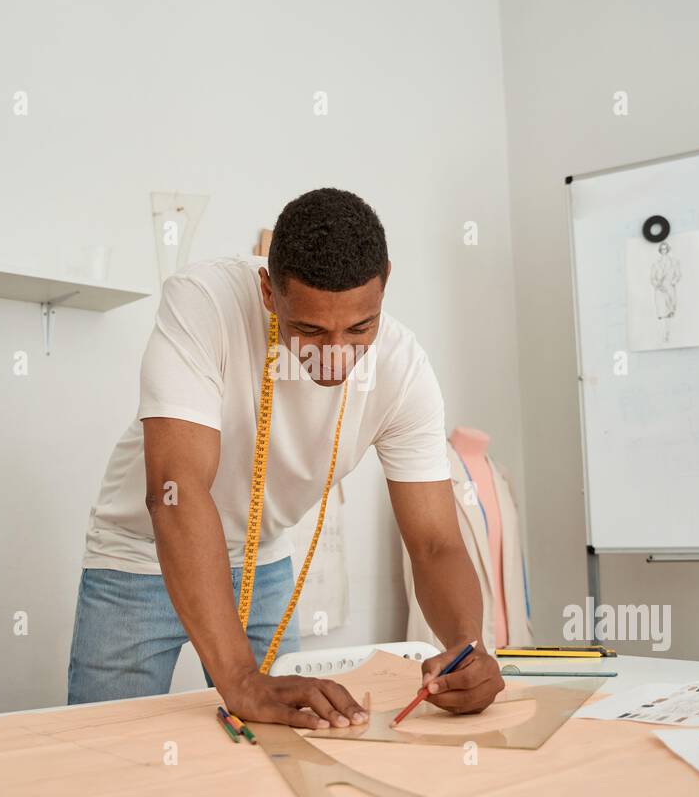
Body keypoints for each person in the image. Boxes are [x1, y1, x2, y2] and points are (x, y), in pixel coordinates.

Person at [68, 187, 504, 729]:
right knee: (103, 749)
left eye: (360, 329)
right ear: (269, 293)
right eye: (311, 330)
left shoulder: (404, 372)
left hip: (263, 561)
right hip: (140, 555)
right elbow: (176, 488)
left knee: (285, 747)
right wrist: (241, 680)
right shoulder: (202, 301)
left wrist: (468, 648)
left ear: (385, 283)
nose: (336, 355)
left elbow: (435, 542)